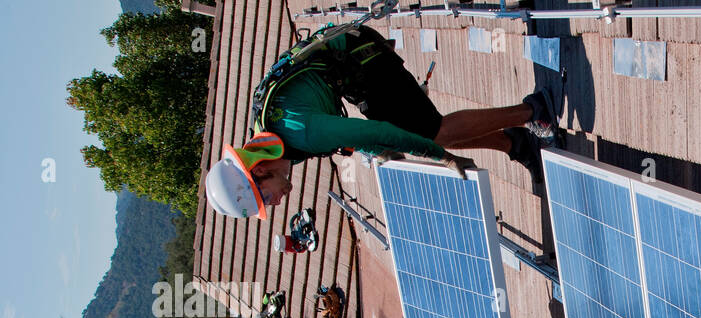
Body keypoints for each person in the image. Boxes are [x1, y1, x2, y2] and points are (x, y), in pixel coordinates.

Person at [205, 22, 557, 219]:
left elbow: (380, 133)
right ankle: (514, 143)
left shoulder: (302, 132)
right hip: (345, 72)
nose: (275, 204)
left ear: (260, 172)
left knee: (435, 135)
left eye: (265, 199)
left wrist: (442, 158)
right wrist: (375, 148)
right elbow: (358, 136)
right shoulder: (268, 142)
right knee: (427, 134)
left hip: (361, 58)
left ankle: (532, 111)